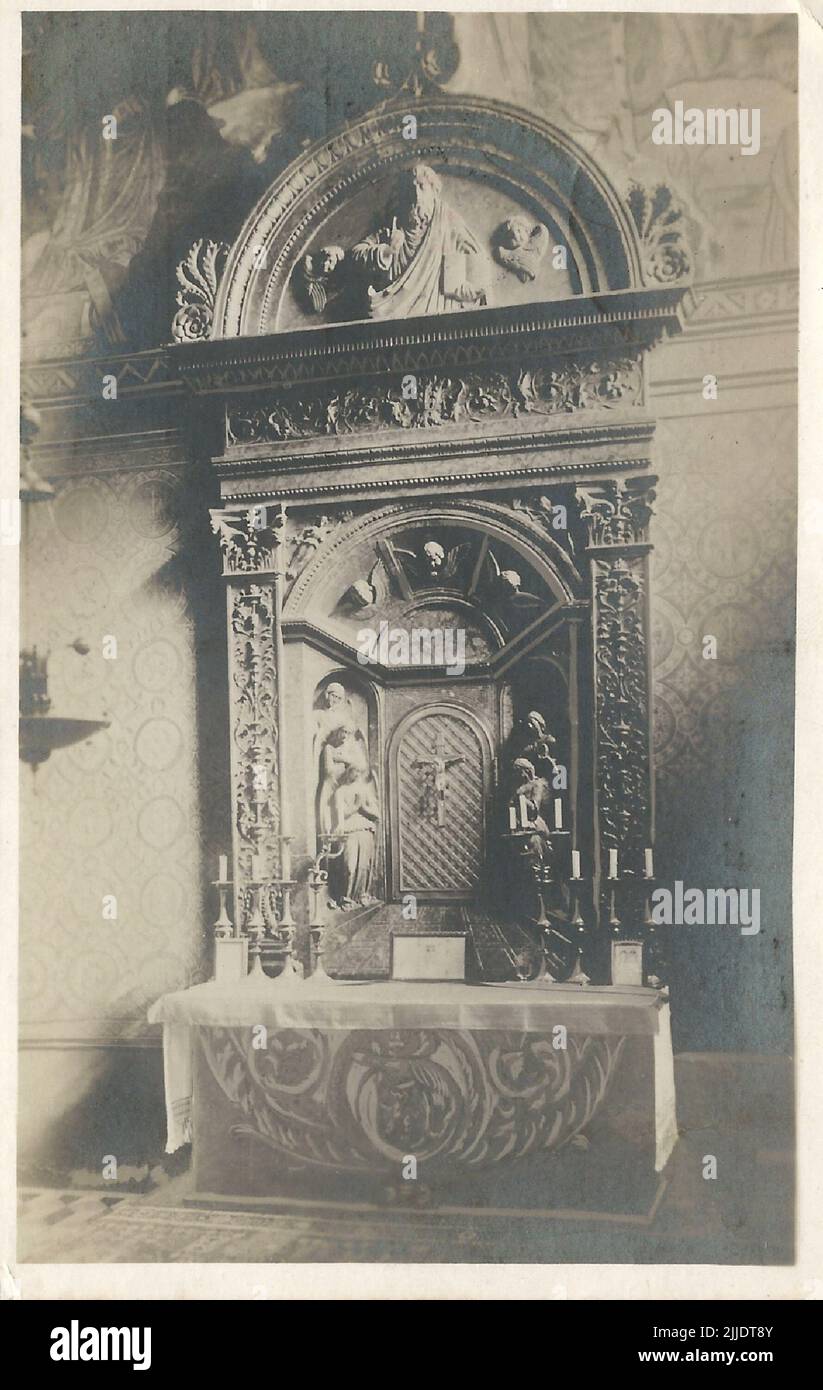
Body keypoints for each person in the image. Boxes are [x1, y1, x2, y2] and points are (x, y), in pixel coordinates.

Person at [351, 164, 492, 319]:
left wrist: (475, 289)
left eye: (422, 187)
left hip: (438, 310)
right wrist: (386, 251)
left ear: (434, 191)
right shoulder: (394, 226)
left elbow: (477, 253)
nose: (416, 195)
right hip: (394, 313)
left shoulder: (449, 221)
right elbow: (357, 253)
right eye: (412, 190)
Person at [328, 766, 380, 909]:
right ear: (348, 773)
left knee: (364, 865)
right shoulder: (340, 791)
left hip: (364, 828)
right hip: (349, 828)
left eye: (359, 772)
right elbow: (341, 814)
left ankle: (362, 894)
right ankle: (347, 897)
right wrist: (356, 806)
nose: (356, 774)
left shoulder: (364, 790)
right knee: (349, 865)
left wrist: (364, 807)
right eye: (353, 771)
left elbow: (376, 813)